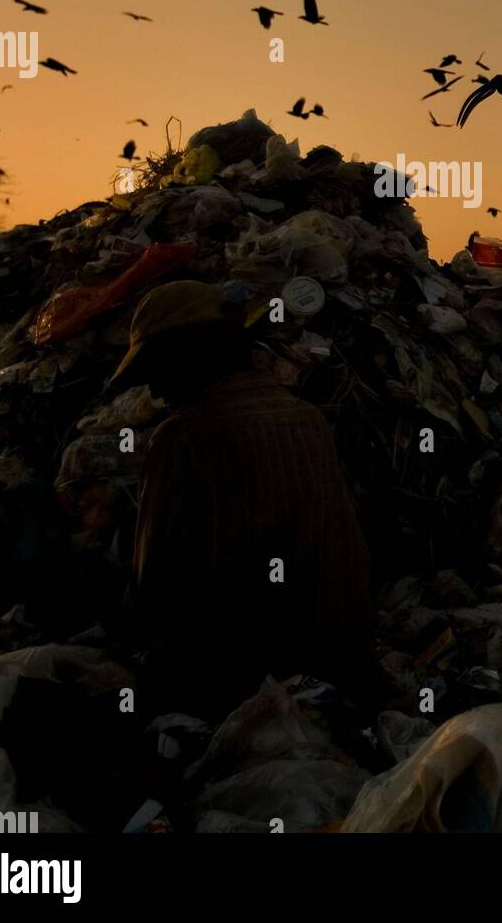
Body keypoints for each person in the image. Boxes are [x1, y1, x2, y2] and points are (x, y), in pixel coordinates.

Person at [109, 280, 372, 714]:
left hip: (240, 674)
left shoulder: (183, 436)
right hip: (341, 652)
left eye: (158, 370)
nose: (155, 392)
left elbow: (157, 579)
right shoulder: (307, 418)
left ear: (188, 357)